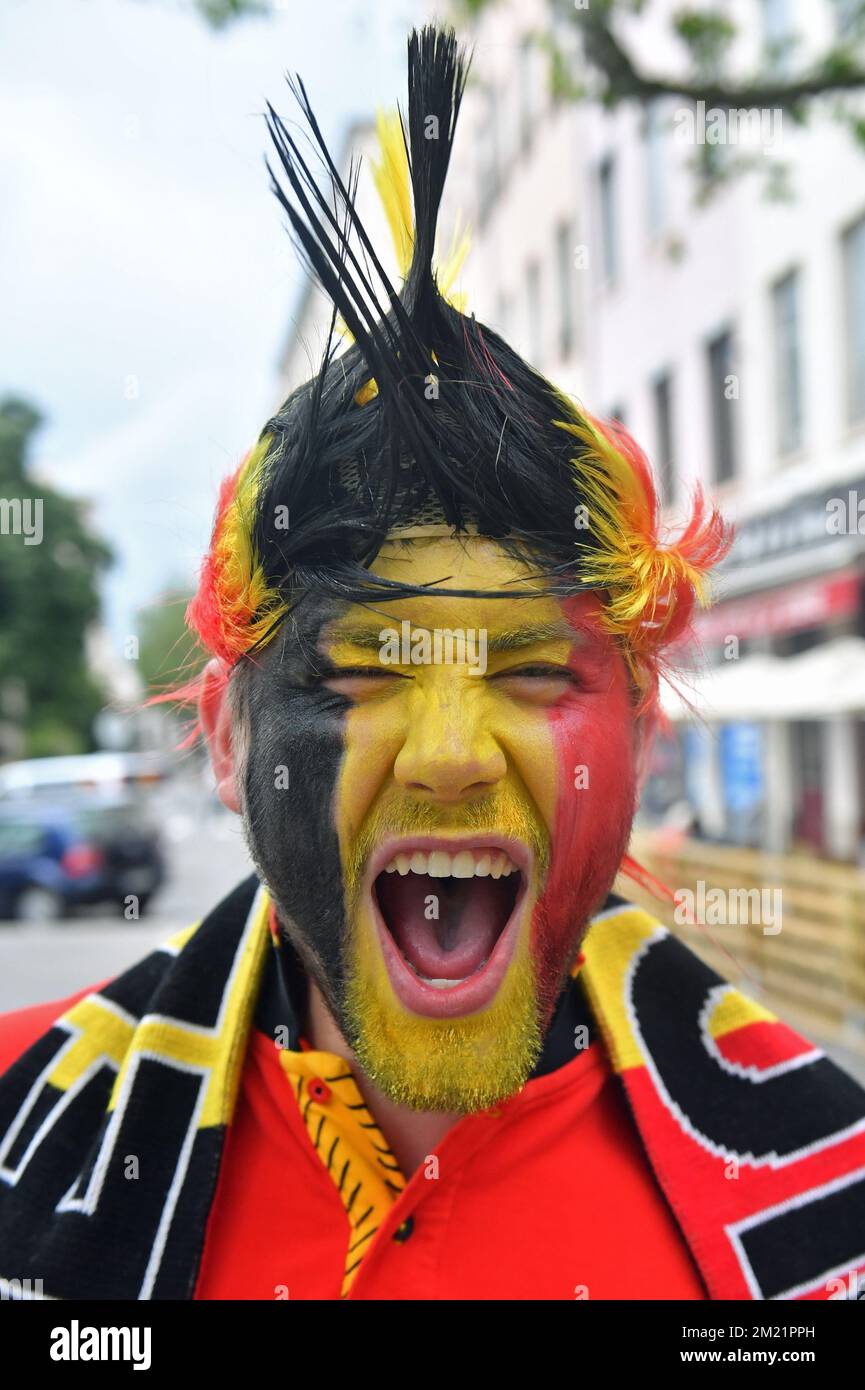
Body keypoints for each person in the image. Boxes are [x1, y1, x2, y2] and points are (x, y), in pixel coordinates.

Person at [1, 26, 864, 1304]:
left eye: (530, 675)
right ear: (231, 737)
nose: (452, 757)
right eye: (353, 681)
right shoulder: (23, 1132)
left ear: (642, 720)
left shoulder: (832, 1199)